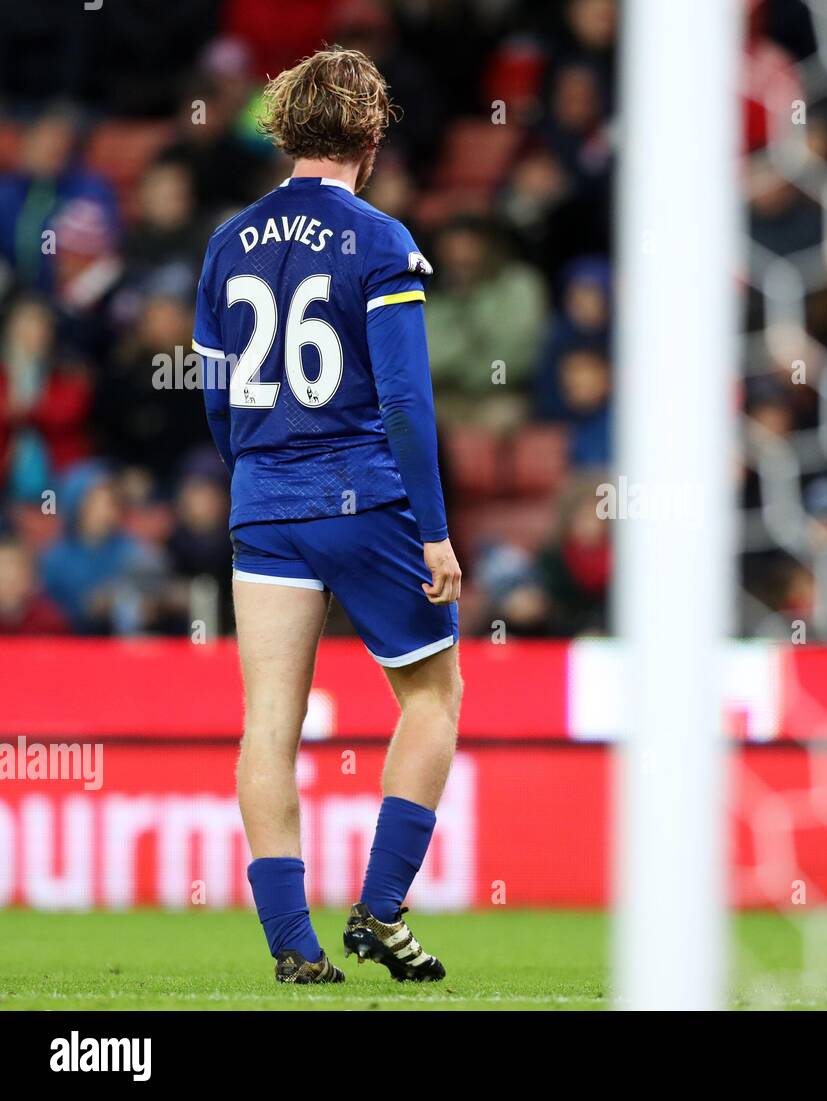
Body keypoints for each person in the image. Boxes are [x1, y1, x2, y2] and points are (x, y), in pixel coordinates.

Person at [192, 47, 462, 985]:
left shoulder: (227, 243)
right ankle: (380, 911)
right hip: (365, 496)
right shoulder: (380, 239)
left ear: (284, 128)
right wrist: (432, 527)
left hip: (263, 504)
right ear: (372, 136)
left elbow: (218, 402)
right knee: (432, 698)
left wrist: (260, 479)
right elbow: (405, 403)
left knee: (269, 722)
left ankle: (291, 945)